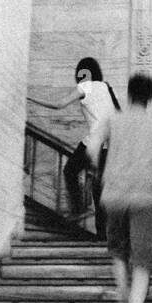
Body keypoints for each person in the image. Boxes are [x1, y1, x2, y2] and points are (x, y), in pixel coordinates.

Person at [90, 72, 152, 303]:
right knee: (141, 263)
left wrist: (102, 175)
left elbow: (91, 151)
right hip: (146, 196)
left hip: (114, 194)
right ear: (150, 96)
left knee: (117, 252)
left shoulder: (113, 119)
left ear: (128, 94)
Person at [28, 58, 119, 236]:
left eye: (80, 74)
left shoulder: (86, 86)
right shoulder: (106, 87)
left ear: (86, 73)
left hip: (95, 140)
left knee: (70, 170)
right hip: (110, 143)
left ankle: (79, 208)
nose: (79, 78)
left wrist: (30, 96)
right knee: (98, 187)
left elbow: (59, 104)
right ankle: (102, 233)